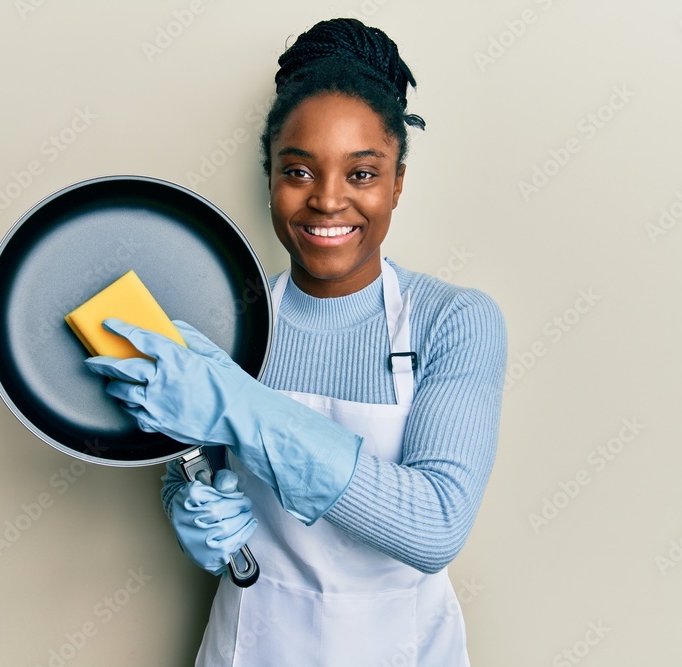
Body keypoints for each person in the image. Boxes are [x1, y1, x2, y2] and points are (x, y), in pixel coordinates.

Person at [85, 17, 507, 666]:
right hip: (251, 643)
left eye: (362, 174)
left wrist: (239, 402)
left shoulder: (453, 319)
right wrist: (190, 507)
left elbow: (435, 524)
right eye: (299, 171)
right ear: (272, 177)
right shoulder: (228, 318)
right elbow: (189, 460)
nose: (328, 201)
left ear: (398, 180)